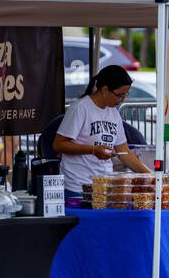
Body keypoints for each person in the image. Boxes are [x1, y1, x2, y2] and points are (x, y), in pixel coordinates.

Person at [53, 64, 152, 199]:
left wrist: (152, 177)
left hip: (103, 186)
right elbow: (59, 144)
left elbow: (124, 152)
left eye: (125, 95)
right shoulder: (80, 109)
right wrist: (93, 150)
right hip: (77, 187)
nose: (122, 100)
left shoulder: (114, 113)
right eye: (119, 95)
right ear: (105, 89)